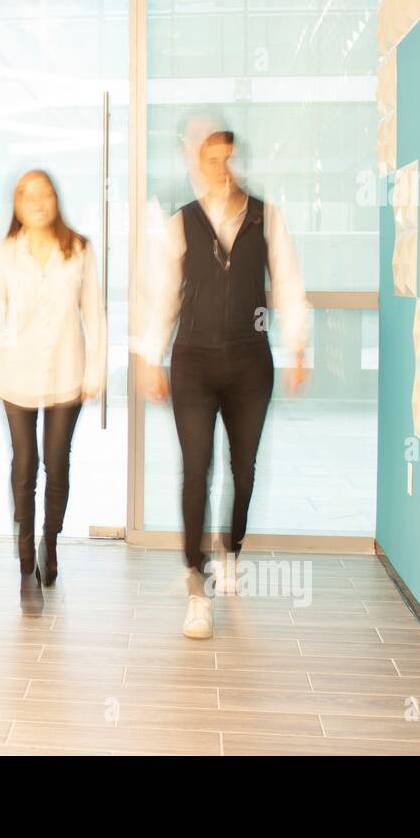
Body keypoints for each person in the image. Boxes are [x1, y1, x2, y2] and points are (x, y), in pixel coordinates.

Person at [141, 122, 309, 640]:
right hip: (192, 361)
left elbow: (287, 282)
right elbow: (163, 291)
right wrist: (151, 355)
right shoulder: (181, 222)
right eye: (213, 159)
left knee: (244, 467)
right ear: (199, 164)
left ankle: (230, 548)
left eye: (230, 158)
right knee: (196, 468)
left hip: (249, 364)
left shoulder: (267, 217)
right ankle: (196, 581)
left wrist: (297, 344)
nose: (223, 168)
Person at [0, 169, 105, 615]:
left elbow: (94, 311)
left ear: (56, 200)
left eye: (44, 193)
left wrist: (96, 371)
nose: (36, 201)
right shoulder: (3, 254)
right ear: (16, 204)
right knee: (24, 463)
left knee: (57, 463)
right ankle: (22, 560)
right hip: (15, 373)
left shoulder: (78, 249)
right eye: (27, 195)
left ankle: (48, 542)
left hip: (66, 371)